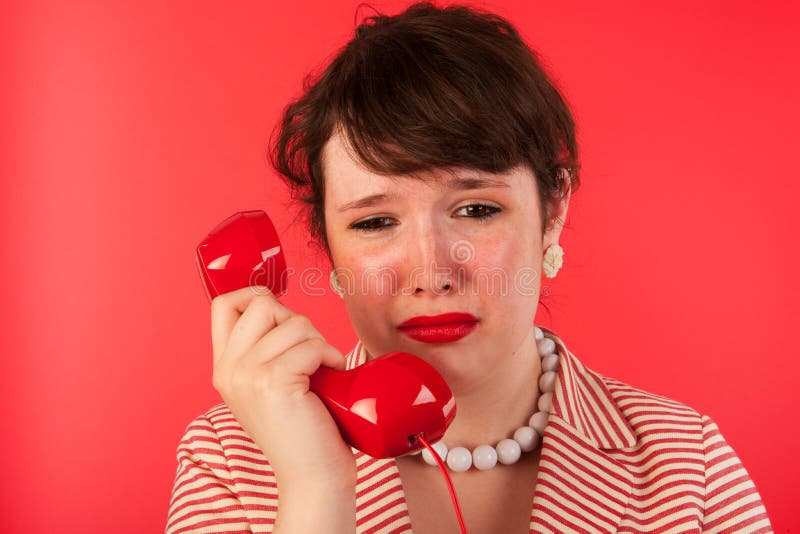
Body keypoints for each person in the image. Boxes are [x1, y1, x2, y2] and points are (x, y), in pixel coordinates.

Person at [166, 2, 772, 533]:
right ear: (328, 245)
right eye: (375, 222)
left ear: (552, 212)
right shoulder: (231, 462)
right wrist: (316, 492)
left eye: (478, 209)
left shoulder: (685, 464)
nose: (431, 271)